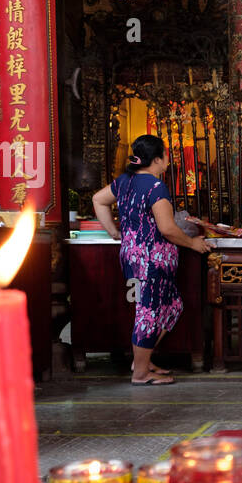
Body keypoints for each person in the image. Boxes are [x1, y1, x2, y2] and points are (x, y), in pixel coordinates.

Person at [92, 135, 213, 385]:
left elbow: (98, 200)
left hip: (132, 256)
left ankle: (142, 361)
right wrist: (193, 243)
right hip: (151, 259)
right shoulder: (156, 187)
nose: (168, 159)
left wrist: (116, 233)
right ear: (157, 159)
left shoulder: (125, 181)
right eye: (165, 155)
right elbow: (167, 228)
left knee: (173, 306)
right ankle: (140, 374)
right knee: (148, 313)